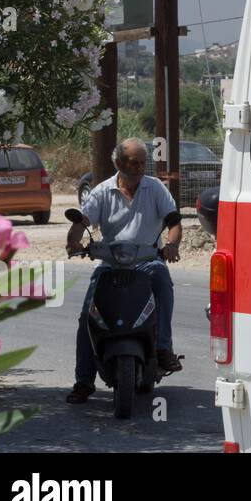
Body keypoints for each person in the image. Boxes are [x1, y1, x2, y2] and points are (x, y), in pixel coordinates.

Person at [64, 138, 184, 404]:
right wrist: (74, 241)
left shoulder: (155, 188)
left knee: (162, 280)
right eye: (134, 163)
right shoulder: (102, 192)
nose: (140, 168)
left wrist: (172, 245)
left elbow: (174, 221)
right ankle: (84, 381)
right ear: (119, 163)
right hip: (110, 263)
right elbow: (83, 222)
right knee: (88, 315)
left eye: (143, 163)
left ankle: (163, 348)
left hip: (147, 260)